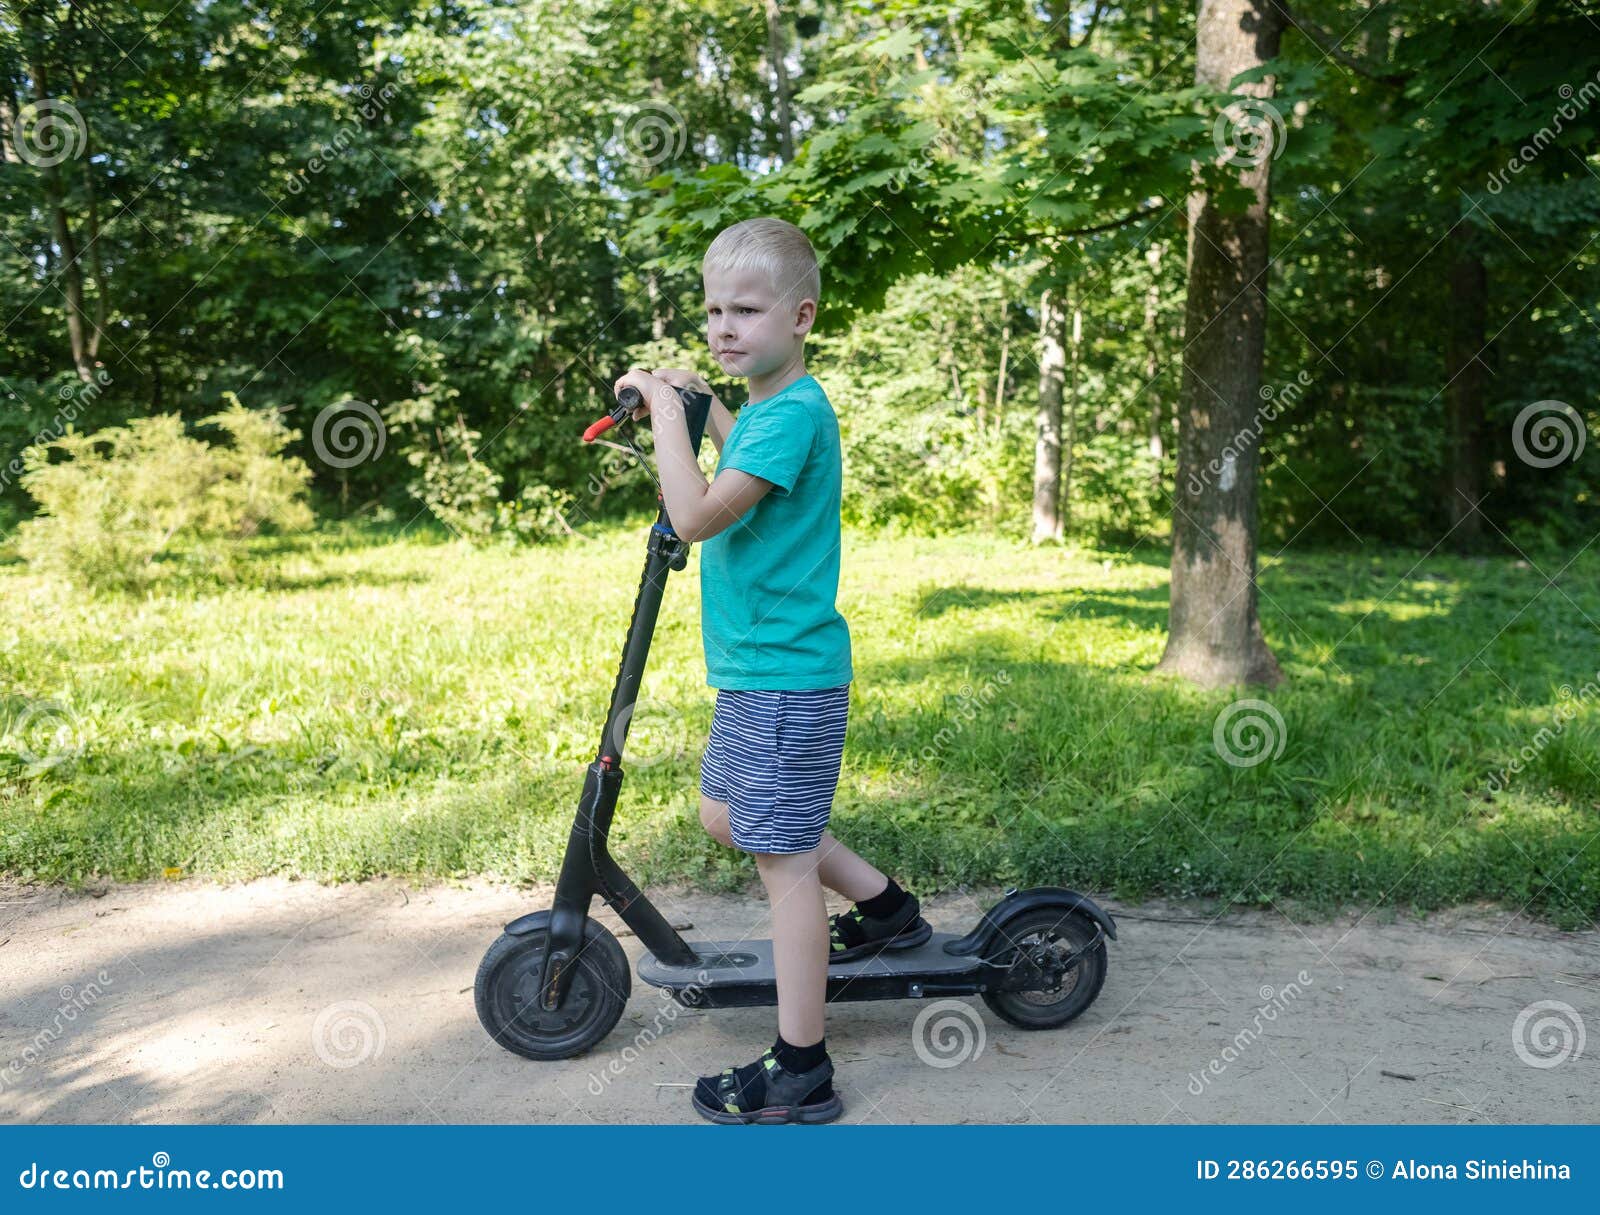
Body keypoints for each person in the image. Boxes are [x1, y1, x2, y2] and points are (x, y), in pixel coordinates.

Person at [612, 216, 931, 1125]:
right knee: (730, 814)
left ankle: (801, 1067)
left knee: (781, 859)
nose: (722, 327)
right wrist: (703, 402)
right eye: (712, 309)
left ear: (802, 316)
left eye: (745, 310)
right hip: (760, 674)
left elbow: (699, 510)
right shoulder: (770, 408)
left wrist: (670, 416)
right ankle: (886, 909)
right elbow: (738, 447)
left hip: (787, 678)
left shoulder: (793, 413)